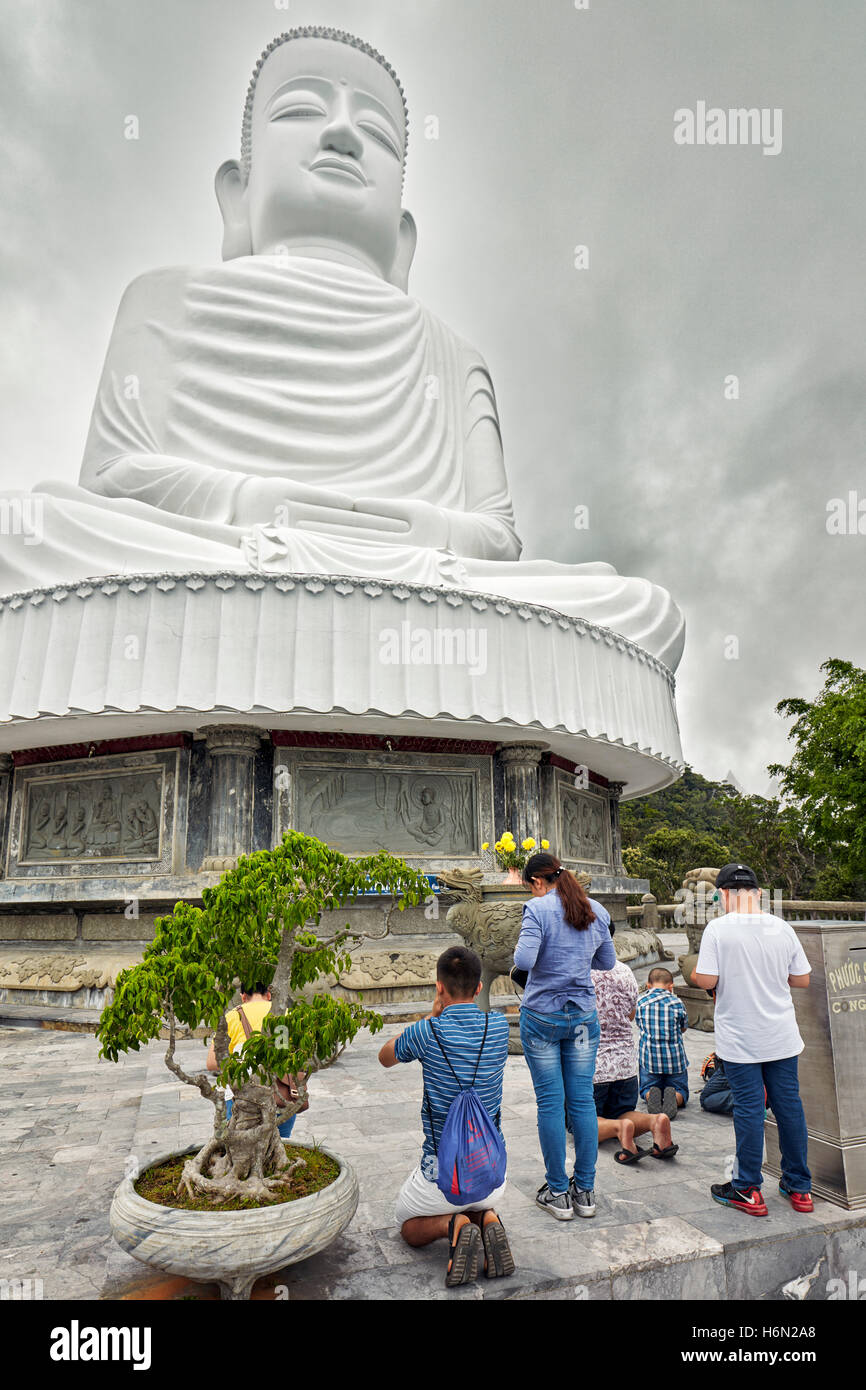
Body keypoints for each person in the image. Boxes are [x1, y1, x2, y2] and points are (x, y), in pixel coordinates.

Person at [377, 945, 513, 1286]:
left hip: (442, 1175)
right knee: (473, 1200)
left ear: (439, 987)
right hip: (492, 1172)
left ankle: (453, 1226)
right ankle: (488, 1218)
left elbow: (384, 1057)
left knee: (406, 1226)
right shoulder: (497, 1027)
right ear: (480, 988)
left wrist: (431, 1017)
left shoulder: (428, 1032)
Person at [693, 863, 813, 1216]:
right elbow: (802, 979)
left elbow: (706, 979)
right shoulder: (782, 927)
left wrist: (702, 973)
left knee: (749, 1109)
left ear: (724, 894)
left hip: (741, 1038)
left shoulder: (717, 929)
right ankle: (800, 1187)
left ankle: (746, 1188)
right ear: (758, 893)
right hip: (782, 1036)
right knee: (789, 1106)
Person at [513, 852, 616, 1220]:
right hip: (583, 1018)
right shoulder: (597, 910)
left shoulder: (537, 910)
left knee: (551, 1104)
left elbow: (523, 961)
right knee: (583, 1102)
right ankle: (584, 1192)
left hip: (543, 1016)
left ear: (538, 882)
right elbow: (606, 962)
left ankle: (557, 1192)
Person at [592, 925, 679, 1162]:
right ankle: (654, 1121)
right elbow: (630, 1014)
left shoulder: (580, 972)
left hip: (593, 1068)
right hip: (626, 1066)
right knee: (623, 1112)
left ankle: (620, 1130)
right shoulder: (624, 971)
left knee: (579, 1122)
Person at [206, 982, 300, 1140]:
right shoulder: (285, 1014)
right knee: (280, 1144)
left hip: (241, 1099)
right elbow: (292, 1056)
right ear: (269, 994)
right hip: (280, 1096)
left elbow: (212, 1063)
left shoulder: (231, 1017)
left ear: (243, 996)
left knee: (242, 1146)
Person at [635, 968, 690, 1119]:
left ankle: (651, 1095)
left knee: (647, 1086)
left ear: (648, 985)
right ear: (671, 986)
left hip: (650, 1059)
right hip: (675, 1059)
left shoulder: (641, 1002)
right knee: (680, 1088)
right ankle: (676, 1098)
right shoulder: (677, 1003)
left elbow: (639, 1024)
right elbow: (683, 1027)